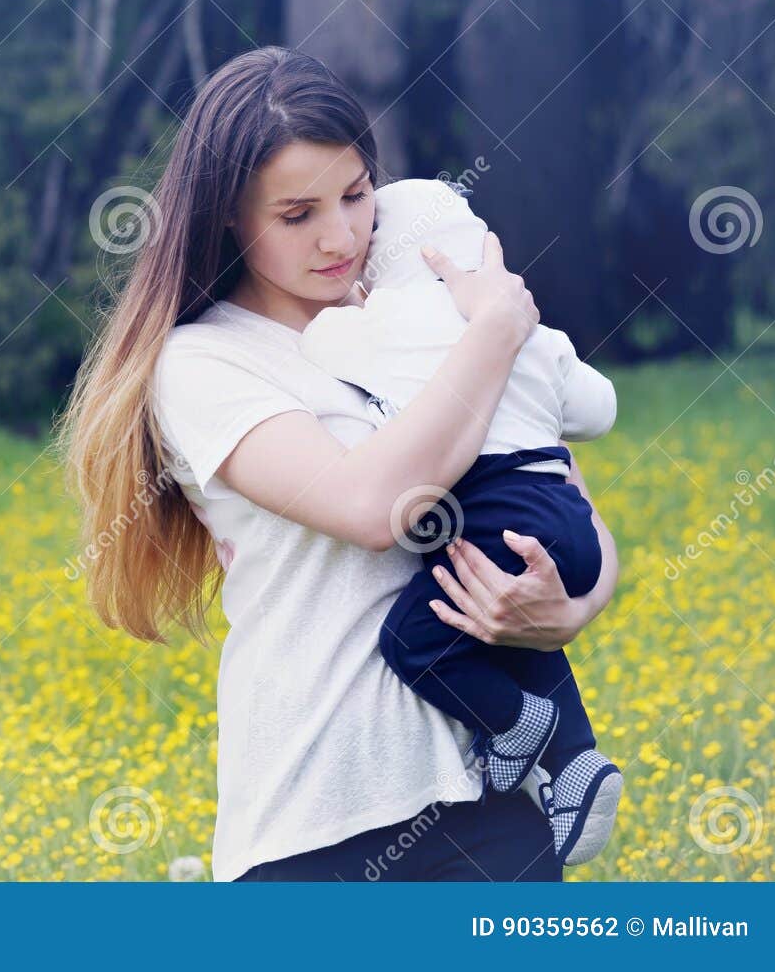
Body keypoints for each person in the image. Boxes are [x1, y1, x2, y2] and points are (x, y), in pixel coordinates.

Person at [54, 46, 619, 882]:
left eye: (356, 195)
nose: (342, 235)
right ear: (226, 219)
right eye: (297, 214)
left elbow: (562, 493)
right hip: (316, 819)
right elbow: (368, 504)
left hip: (489, 797)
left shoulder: (422, 321)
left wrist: (571, 605)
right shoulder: (207, 362)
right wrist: (496, 330)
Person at [298, 177, 623, 866]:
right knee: (506, 621)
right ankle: (578, 760)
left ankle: (516, 723)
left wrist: (358, 309)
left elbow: (320, 347)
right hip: (567, 517)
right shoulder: (529, 332)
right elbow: (600, 411)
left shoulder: (386, 325)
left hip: (489, 507)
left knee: (417, 636)